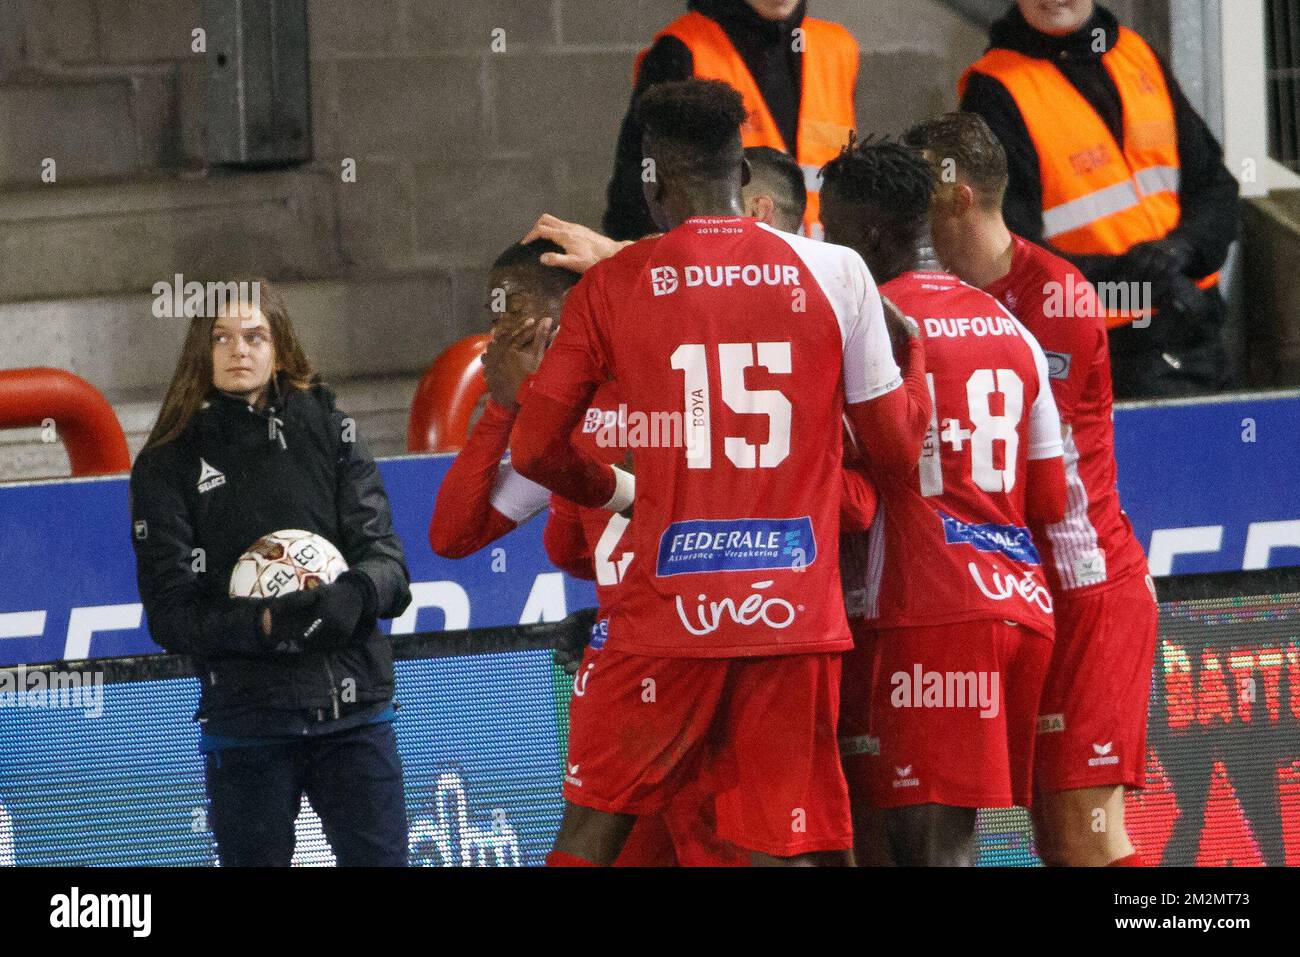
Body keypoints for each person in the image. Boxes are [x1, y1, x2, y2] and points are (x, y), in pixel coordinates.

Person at [510, 78, 930, 867]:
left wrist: (619, 490)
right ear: (743, 178)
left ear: (652, 183)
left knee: (591, 835)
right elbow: (900, 459)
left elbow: (533, 451)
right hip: (790, 613)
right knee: (781, 847)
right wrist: (917, 366)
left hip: (666, 614)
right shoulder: (839, 275)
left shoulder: (612, 287)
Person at [905, 111, 1157, 866]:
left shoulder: (1058, 298)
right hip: (1021, 595)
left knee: (1087, 837)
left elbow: (1030, 474)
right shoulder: (934, 297)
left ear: (957, 198)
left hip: (1088, 591)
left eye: (920, 193)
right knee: (1055, 842)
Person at [820, 137, 1068, 866]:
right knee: (908, 839)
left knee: (929, 850)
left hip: (921, 611)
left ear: (867, 232)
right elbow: (1048, 496)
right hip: (1015, 605)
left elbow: (850, 490)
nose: (827, 244)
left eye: (832, 228)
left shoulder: (863, 323)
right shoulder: (1015, 330)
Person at [129, 281, 413, 867]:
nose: (240, 351)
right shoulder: (166, 463)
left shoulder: (332, 428)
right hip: (248, 721)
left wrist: (354, 594)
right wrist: (264, 621)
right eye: (222, 338)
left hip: (352, 713)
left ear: (278, 346)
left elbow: (389, 568)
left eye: (255, 336)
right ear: (199, 353)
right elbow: (171, 614)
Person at [958, 0, 1240, 399]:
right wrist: (1141, 281)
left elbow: (1214, 184)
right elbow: (1007, 250)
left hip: (1196, 327)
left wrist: (1182, 251)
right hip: (1103, 350)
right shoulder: (994, 92)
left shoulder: (1135, 54)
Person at [604, 0, 858, 240]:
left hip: (821, 273)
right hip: (724, 272)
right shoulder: (682, 49)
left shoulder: (837, 48)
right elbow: (635, 196)